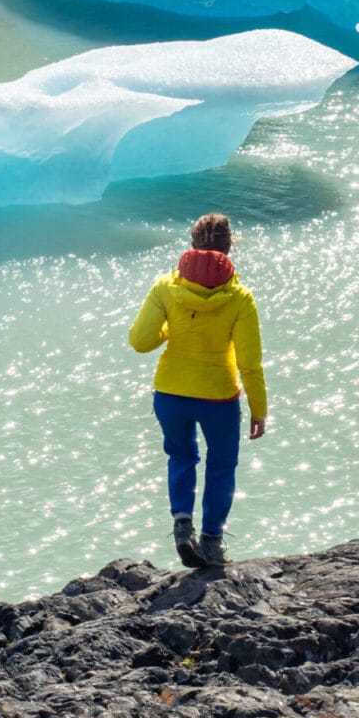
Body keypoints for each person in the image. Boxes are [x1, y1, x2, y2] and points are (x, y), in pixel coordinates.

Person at [129, 212, 267, 568]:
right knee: (222, 465)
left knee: (181, 457)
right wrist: (259, 409)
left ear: (192, 246)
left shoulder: (166, 287)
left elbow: (140, 341)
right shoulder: (240, 298)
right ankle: (212, 542)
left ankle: (181, 524)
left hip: (171, 393)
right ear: (229, 247)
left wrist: (169, 331)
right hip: (218, 397)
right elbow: (250, 363)